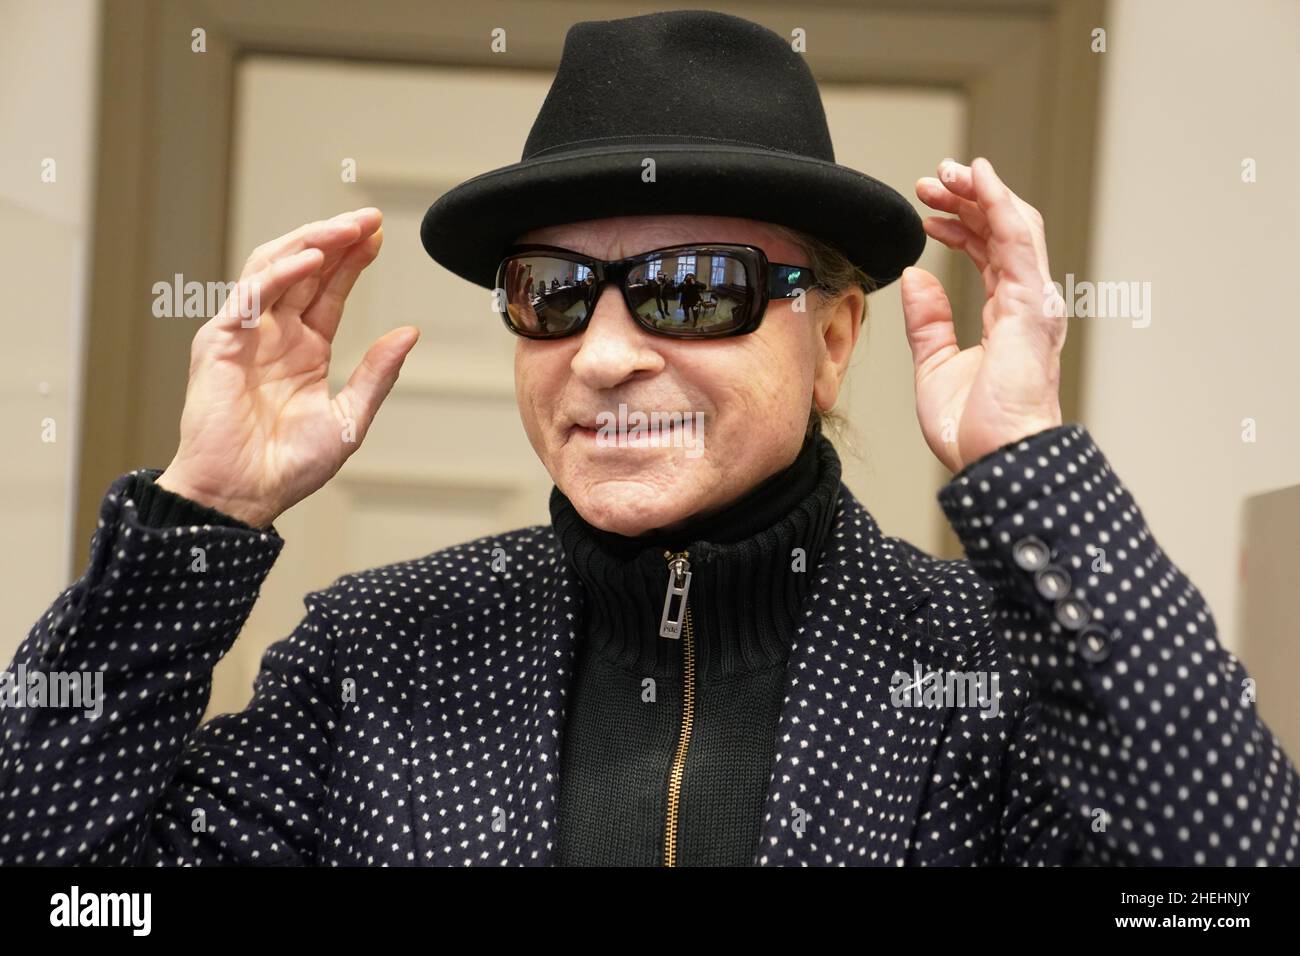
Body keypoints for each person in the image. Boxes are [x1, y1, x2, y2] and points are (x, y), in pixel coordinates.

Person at [2, 9, 1296, 868]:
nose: (606, 354)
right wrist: (200, 516)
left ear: (836, 335)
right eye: (552, 293)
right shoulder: (378, 655)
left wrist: (1028, 468)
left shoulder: (977, 675)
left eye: (694, 288)